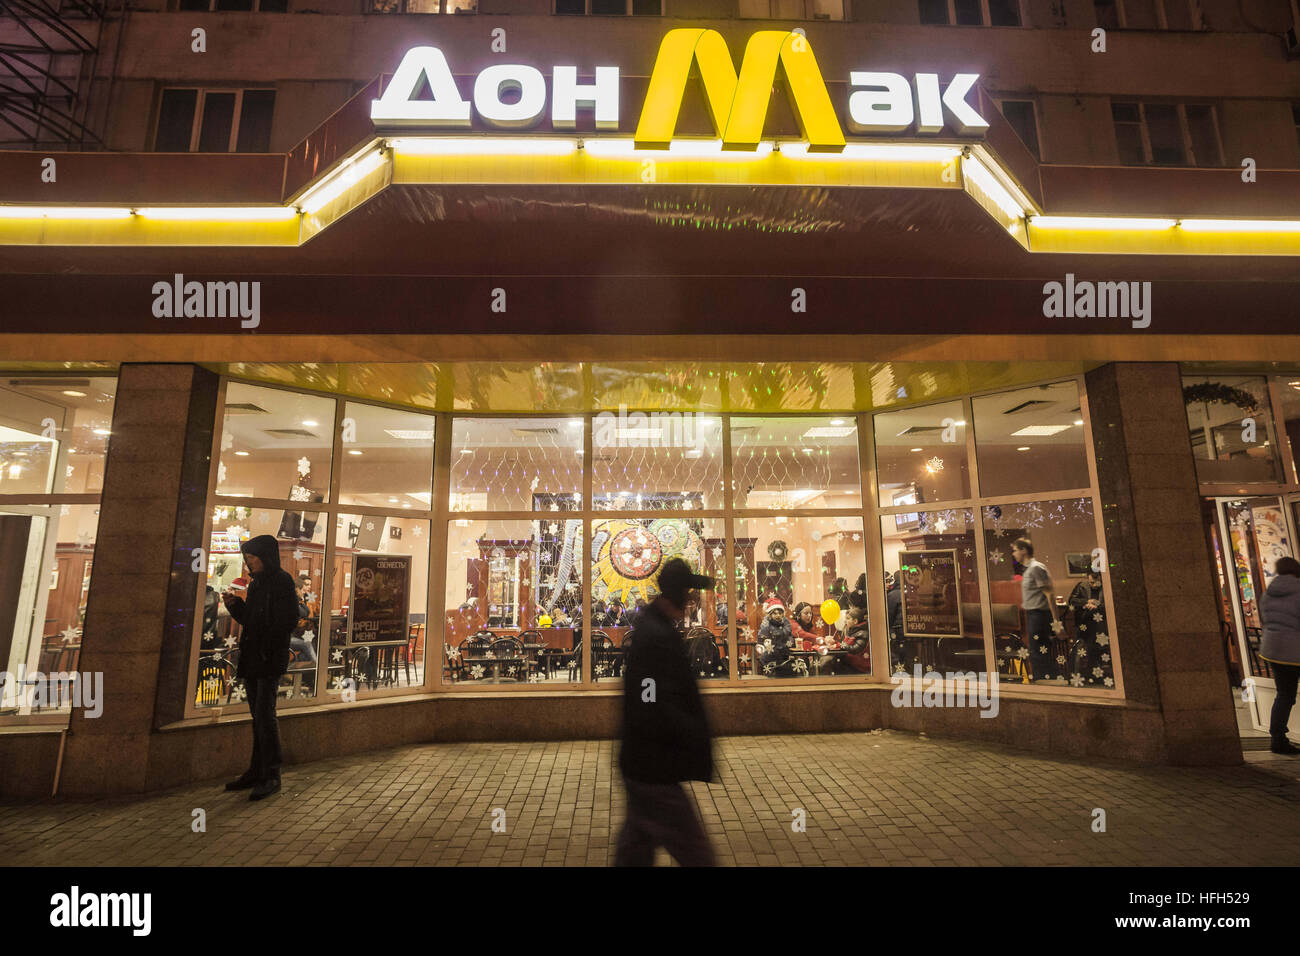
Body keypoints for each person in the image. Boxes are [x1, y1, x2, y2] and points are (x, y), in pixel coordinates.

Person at [614, 557, 717, 866]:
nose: (691, 599)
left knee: (635, 848)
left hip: (643, 764)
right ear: (679, 594)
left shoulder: (654, 628)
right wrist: (685, 731)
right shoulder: (654, 637)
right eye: (689, 592)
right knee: (695, 852)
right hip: (654, 766)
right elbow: (648, 698)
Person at [221, 534, 299, 800]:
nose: (248, 564)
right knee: (258, 716)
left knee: (265, 715)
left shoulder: (282, 582)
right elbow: (251, 620)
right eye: (247, 559)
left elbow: (287, 621)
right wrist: (236, 607)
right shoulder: (256, 584)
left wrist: (268, 643)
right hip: (254, 657)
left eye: (252, 559)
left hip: (268, 658)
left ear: (265, 558)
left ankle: (271, 773)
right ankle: (257, 770)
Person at [1260, 556, 1300, 755]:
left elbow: (1265, 619)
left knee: (1284, 695)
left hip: (1273, 650)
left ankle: (1277, 738)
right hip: (1295, 650)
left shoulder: (1269, 593)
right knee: (1286, 695)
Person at [1011, 538, 1061, 683]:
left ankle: (1047, 684)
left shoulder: (1036, 568)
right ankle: (1046, 682)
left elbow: (1049, 594)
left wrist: (1057, 624)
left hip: (1040, 616)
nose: (1013, 554)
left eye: (1015, 550)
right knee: (1037, 652)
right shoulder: (1028, 570)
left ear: (1024, 550)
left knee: (1039, 652)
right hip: (1033, 615)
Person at [1067, 570, 1106, 685]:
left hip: (1101, 623)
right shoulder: (1082, 586)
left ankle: (1096, 676)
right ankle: (1076, 676)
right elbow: (1072, 601)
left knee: (1096, 650)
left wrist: (1097, 606)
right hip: (1085, 622)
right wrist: (1086, 602)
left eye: (1094, 582)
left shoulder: (1106, 588)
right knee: (1081, 648)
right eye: (1090, 582)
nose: (1092, 585)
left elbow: (1112, 603)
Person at [757, 596, 795, 676]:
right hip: (771, 649)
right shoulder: (766, 624)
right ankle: (771, 672)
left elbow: (789, 634)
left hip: (784, 648)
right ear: (770, 614)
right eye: (775, 613)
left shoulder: (786, 622)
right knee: (763, 658)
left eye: (780, 613)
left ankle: (780, 672)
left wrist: (788, 643)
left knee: (784, 661)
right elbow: (762, 636)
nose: (778, 615)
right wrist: (763, 644)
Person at [886, 570, 905, 672]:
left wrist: (889, 629)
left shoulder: (893, 595)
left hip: (898, 629)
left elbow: (890, 615)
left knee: (898, 652)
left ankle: (899, 671)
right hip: (910, 628)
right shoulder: (910, 592)